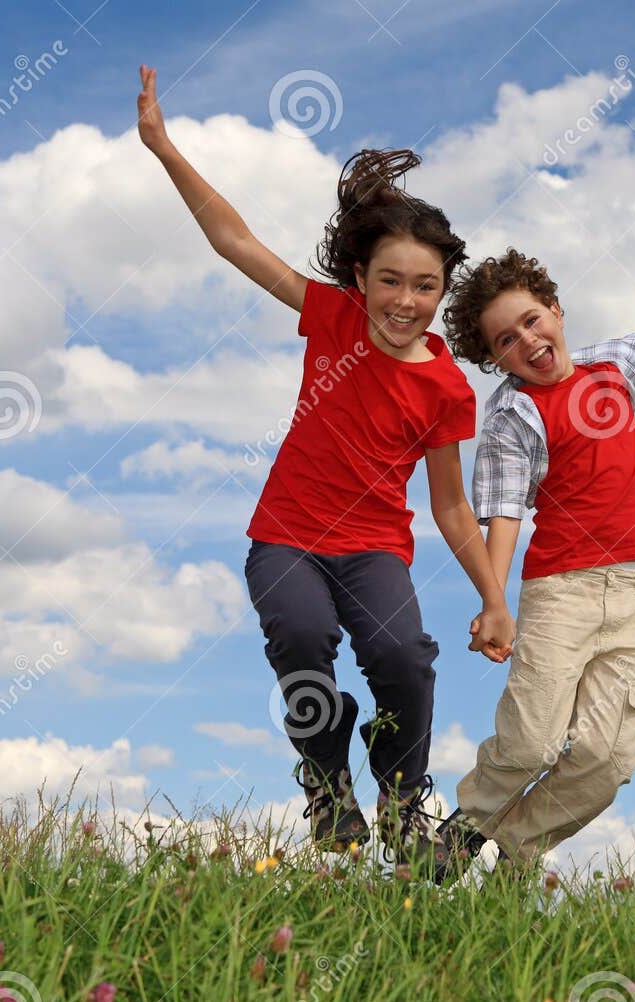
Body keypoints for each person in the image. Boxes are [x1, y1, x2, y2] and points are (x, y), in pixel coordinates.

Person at [136, 66, 514, 873]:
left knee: (405, 657)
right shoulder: (332, 317)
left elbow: (451, 507)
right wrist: (165, 150)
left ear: (441, 291)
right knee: (302, 635)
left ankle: (403, 796)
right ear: (360, 280)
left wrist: (492, 597)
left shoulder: (447, 387)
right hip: (288, 539)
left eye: (424, 286)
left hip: (375, 549)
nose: (405, 300)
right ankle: (326, 779)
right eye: (390, 281)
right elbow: (236, 242)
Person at [433, 204, 635, 881]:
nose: (527, 341)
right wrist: (494, 602)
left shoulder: (614, 367)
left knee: (608, 758)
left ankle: (517, 850)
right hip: (560, 593)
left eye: (531, 320)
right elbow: (504, 516)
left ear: (556, 309)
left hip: (634, 593)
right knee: (531, 742)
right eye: (505, 340)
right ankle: (456, 837)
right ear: (493, 359)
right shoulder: (512, 415)